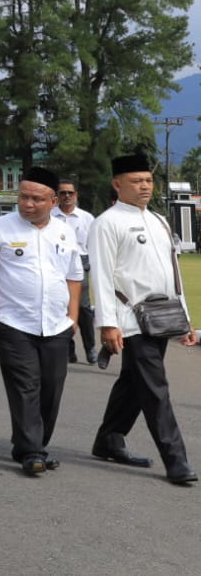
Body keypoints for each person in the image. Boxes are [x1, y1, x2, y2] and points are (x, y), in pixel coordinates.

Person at [88, 153, 197, 485]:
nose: (145, 186)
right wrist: (108, 323)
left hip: (162, 316)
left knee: (134, 383)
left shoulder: (160, 221)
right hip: (130, 318)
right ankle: (175, 459)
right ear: (117, 184)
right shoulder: (107, 222)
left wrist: (185, 320)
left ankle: (109, 438)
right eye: (137, 181)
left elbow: (173, 274)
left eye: (148, 180)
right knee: (155, 388)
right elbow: (102, 277)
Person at [0, 166, 81, 475]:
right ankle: (33, 450)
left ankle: (31, 443)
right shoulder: (0, 227)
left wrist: (73, 316)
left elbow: (74, 275)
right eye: (23, 197)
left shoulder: (64, 231)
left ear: (54, 201)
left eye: (36, 199)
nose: (28, 204)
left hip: (57, 325)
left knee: (51, 388)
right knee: (25, 385)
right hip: (14, 323)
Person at [52, 179, 98, 363]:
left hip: (81, 261)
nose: (67, 196)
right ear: (57, 196)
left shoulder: (87, 218)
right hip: (56, 262)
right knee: (61, 306)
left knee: (83, 306)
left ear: (76, 195)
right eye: (63, 193)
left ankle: (90, 347)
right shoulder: (50, 216)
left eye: (70, 193)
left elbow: (93, 245)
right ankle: (68, 348)